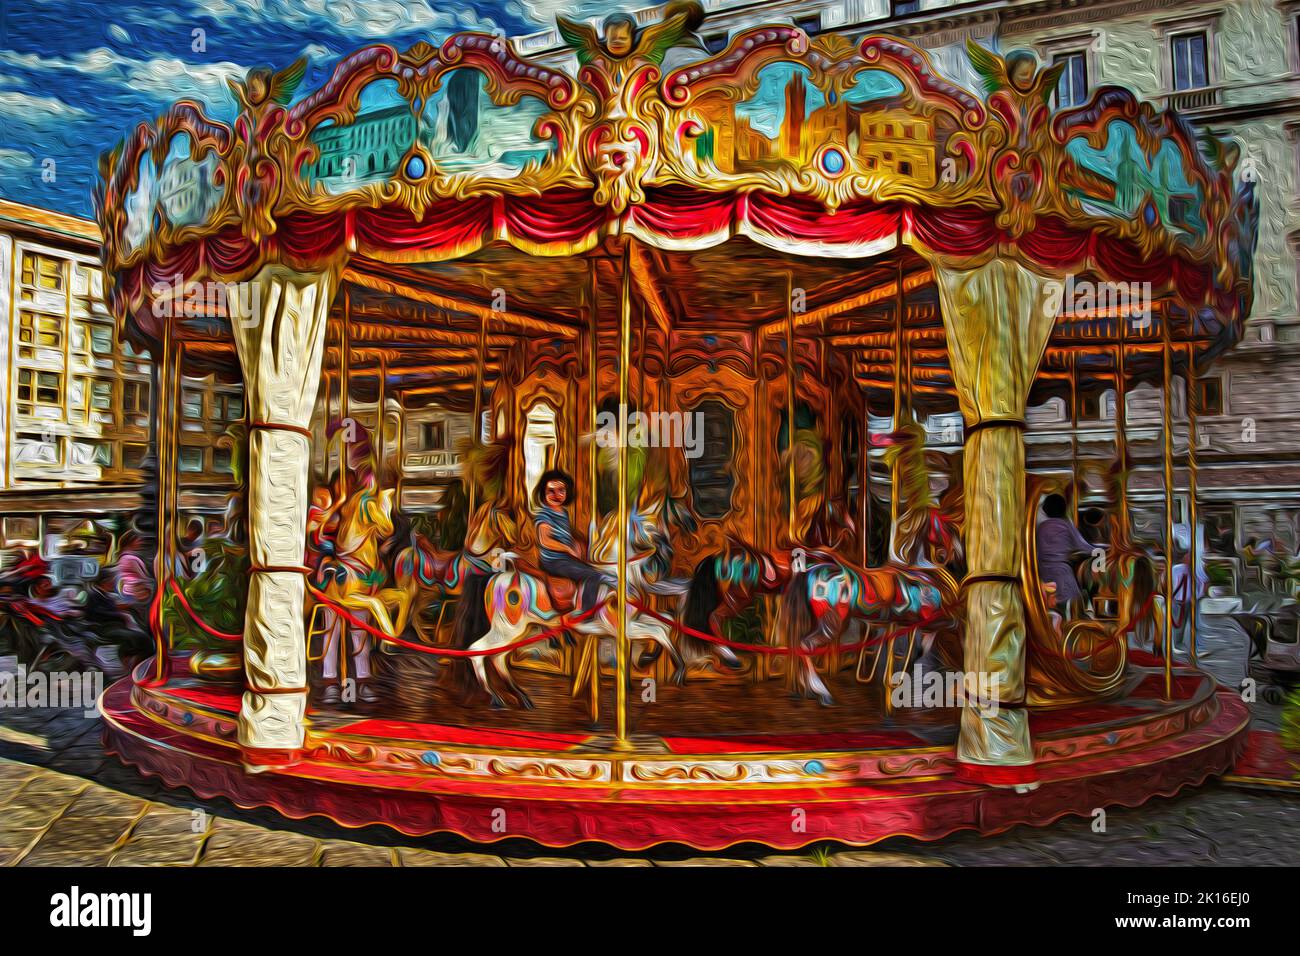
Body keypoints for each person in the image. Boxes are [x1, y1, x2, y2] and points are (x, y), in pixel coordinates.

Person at [533, 469, 614, 613]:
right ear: (543, 493)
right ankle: (585, 613)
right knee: (593, 575)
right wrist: (568, 548)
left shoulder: (563, 512)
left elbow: (564, 535)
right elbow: (545, 540)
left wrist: (574, 544)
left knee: (598, 569)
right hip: (553, 560)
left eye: (561, 490)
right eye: (551, 491)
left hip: (565, 558)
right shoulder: (544, 514)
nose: (556, 495)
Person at [1036, 493, 1097, 620]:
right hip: (1062, 573)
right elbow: (1083, 546)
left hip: (1043, 573)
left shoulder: (1040, 528)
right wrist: (1100, 551)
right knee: (1077, 606)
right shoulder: (1065, 525)